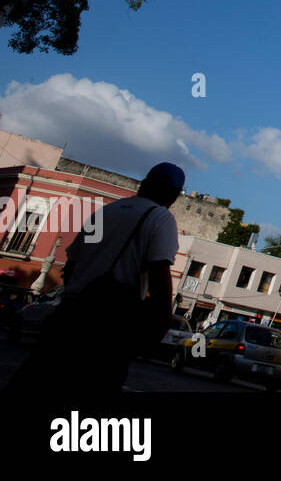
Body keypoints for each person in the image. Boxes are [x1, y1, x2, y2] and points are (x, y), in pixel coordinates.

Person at [3, 162, 185, 393]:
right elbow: (159, 274)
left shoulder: (106, 211)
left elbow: (71, 266)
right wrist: (160, 323)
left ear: (144, 184)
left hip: (68, 315)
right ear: (173, 196)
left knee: (36, 379)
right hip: (107, 324)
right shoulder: (160, 218)